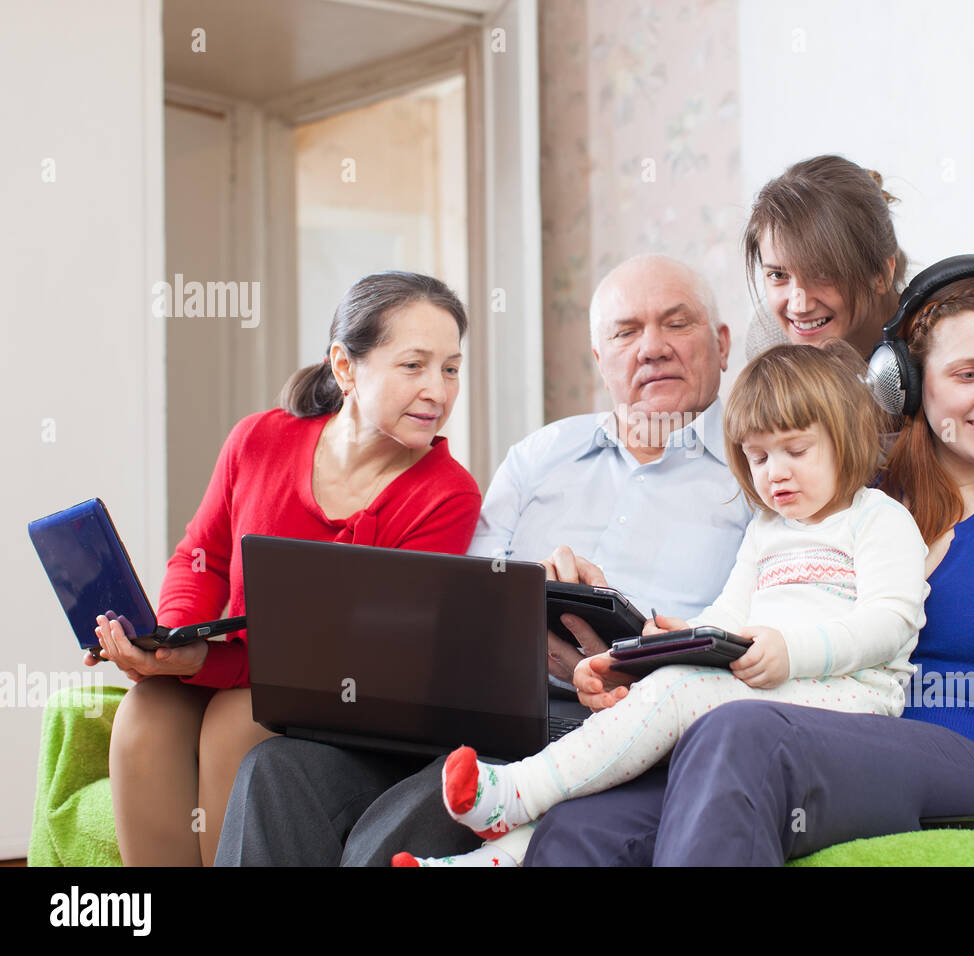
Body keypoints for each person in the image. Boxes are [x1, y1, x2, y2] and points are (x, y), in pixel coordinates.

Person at [525, 255, 974, 865]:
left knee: (741, 736)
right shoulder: (841, 494)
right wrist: (647, 664)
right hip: (811, 726)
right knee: (587, 823)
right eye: (969, 373)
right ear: (906, 380)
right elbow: (754, 618)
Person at [215, 254, 754, 866]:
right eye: (626, 332)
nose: (652, 348)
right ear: (601, 360)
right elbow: (458, 603)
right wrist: (526, 627)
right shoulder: (539, 456)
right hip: (486, 706)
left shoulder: (762, 470)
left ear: (722, 343)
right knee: (275, 774)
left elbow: (762, 632)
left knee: (400, 829)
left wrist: (651, 655)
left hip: (619, 725)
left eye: (677, 324)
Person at [396, 342, 928, 865]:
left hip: (854, 701)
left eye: (796, 450)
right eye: (759, 456)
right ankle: (494, 858)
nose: (775, 473)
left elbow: (890, 622)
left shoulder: (876, 518)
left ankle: (518, 790)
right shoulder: (769, 529)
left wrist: (792, 652)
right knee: (636, 724)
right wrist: (670, 643)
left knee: (675, 693)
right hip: (774, 687)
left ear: (847, 439)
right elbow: (729, 616)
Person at [91, 271, 481, 866]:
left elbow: (358, 657)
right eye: (414, 366)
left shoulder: (446, 495)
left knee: (235, 717)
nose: (438, 391)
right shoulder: (258, 439)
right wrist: (173, 641)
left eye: (450, 368)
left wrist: (210, 664)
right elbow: (202, 557)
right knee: (145, 712)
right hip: (236, 668)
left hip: (340, 696)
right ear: (345, 367)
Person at [743, 154, 974, 468]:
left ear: (881, 273)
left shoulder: (953, 314)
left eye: (823, 275)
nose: (798, 304)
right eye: (778, 275)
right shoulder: (768, 333)